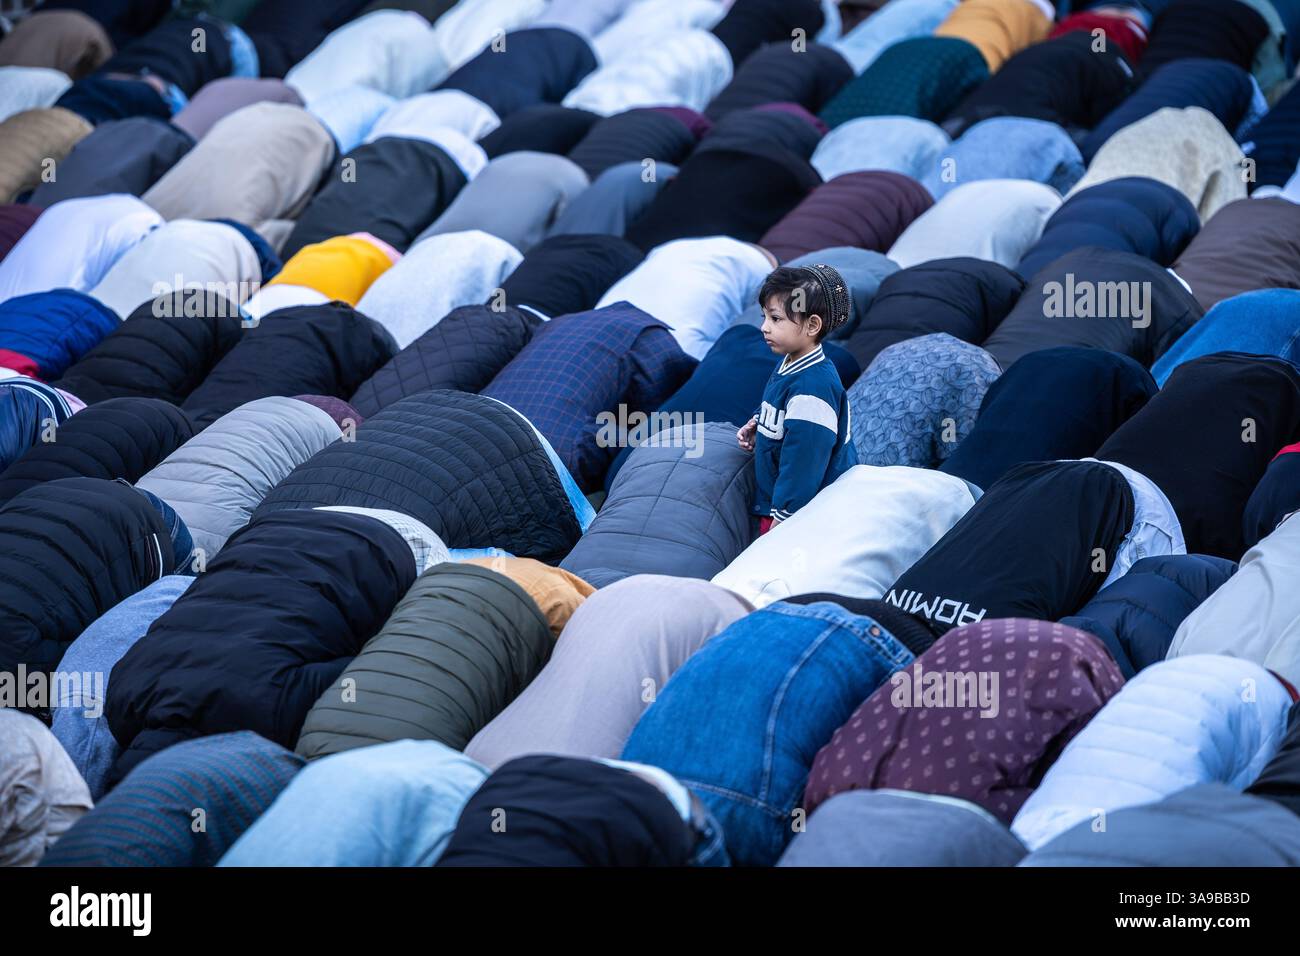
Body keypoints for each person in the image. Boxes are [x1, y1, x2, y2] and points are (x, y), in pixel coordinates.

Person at [737, 264, 854, 532]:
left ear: (812, 325)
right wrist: (759, 422)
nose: (764, 327)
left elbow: (804, 462)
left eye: (775, 319)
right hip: (777, 500)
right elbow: (779, 406)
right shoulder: (791, 361)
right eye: (764, 316)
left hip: (802, 514)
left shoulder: (813, 389)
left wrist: (784, 517)